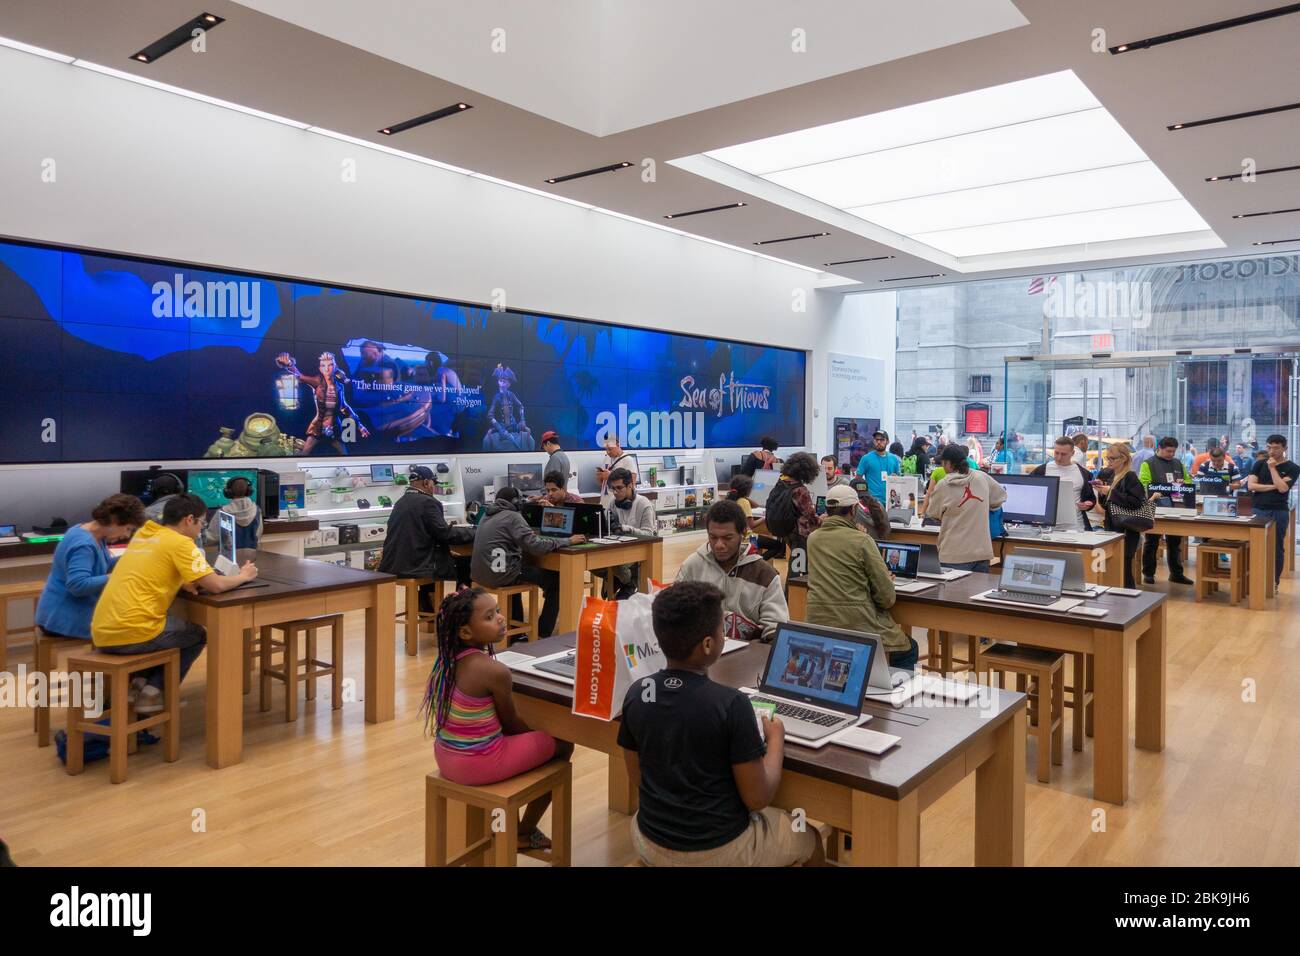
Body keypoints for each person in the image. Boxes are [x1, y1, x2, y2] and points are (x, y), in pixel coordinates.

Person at [617, 581, 823, 867]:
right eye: (721, 630)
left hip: (648, 839)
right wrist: (776, 739)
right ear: (708, 644)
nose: (724, 636)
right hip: (718, 851)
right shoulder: (731, 704)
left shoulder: (638, 693)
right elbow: (758, 799)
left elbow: (638, 776)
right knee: (808, 834)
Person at [421, 587, 573, 852]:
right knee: (563, 744)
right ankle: (522, 832)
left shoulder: (444, 664)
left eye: (498, 611)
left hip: (446, 757)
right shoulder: (494, 671)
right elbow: (511, 724)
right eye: (490, 616)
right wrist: (539, 734)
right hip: (480, 764)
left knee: (527, 742)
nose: (501, 618)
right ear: (466, 632)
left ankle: (513, 823)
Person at [92, 494, 258, 715]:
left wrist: (182, 581)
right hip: (131, 633)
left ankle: (138, 685)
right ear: (189, 519)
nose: (201, 529)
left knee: (172, 629)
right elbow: (216, 585)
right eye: (202, 523)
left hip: (102, 631)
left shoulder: (145, 533)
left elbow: (155, 567)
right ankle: (153, 693)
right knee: (195, 635)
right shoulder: (181, 543)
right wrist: (244, 576)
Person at [807, 485, 916, 669]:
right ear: (854, 509)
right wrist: (888, 580)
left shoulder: (813, 538)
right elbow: (887, 598)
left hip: (819, 624)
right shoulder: (863, 541)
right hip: (857, 625)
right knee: (909, 649)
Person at [471, 487, 582, 638]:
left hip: (480, 574)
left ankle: (516, 635)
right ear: (515, 502)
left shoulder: (486, 515)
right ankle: (543, 633)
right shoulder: (513, 517)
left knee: (519, 574)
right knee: (558, 580)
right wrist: (567, 540)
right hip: (502, 574)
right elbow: (536, 546)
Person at [675, 500, 788, 642]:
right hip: (701, 656)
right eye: (713, 537)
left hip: (749, 659)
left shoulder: (765, 575)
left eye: (727, 538)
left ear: (743, 533)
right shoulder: (692, 566)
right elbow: (675, 614)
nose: (719, 545)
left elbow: (776, 630)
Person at [36, 494, 144, 642]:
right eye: (128, 528)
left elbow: (100, 566)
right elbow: (78, 586)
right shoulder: (84, 544)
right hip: (64, 619)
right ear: (114, 521)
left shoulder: (88, 532)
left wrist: (131, 557)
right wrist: (118, 576)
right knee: (137, 632)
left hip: (58, 613)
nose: (127, 535)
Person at [379, 465, 474, 607]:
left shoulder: (400, 503)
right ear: (426, 483)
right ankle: (460, 612)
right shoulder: (428, 502)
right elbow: (444, 534)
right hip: (418, 566)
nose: (434, 488)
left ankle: (427, 612)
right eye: (433, 484)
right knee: (465, 563)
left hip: (394, 564)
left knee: (444, 561)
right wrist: (474, 532)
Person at [924, 444, 1006, 572]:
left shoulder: (944, 485)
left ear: (949, 464)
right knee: (978, 592)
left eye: (943, 463)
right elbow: (1000, 497)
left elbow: (933, 513)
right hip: (981, 553)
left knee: (952, 592)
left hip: (953, 555)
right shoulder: (982, 477)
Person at [1247, 434, 1299, 591]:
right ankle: (1253, 580)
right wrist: (1273, 486)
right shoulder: (1258, 464)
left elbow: (1283, 488)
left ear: (1285, 448)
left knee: (1276, 547)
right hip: (1257, 508)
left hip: (1278, 511)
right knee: (1253, 545)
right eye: (1269, 447)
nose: (1272, 451)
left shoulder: (1293, 468)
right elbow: (1251, 486)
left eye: (1276, 448)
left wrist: (1272, 468)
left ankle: (1273, 582)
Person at [1138, 437, 1193, 585]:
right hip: (1155, 507)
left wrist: (1183, 484)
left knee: (1175, 542)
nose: (1171, 454)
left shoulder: (1178, 463)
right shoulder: (1148, 463)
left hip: (1175, 507)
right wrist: (1159, 490)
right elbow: (1144, 484)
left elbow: (1188, 481)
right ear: (1159, 448)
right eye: (1168, 451)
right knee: (1151, 541)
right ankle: (1148, 573)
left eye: (1173, 451)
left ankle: (1176, 573)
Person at [1093, 444, 1145, 590]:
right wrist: (1103, 492)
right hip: (1114, 527)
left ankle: (1130, 599)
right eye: (1107, 458)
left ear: (1123, 459)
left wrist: (1110, 491)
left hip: (1127, 530)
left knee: (1124, 567)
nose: (1108, 461)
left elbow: (1135, 502)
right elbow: (1108, 505)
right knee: (1117, 567)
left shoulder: (1130, 476)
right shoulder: (1112, 475)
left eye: (1112, 458)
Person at [605, 467, 656, 597]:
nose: (615, 492)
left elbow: (649, 534)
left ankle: (628, 584)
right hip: (618, 546)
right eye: (612, 488)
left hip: (640, 549)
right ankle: (623, 581)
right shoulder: (613, 503)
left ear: (630, 486)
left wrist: (628, 529)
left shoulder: (644, 504)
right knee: (597, 565)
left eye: (619, 488)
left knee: (617, 564)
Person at [1030, 436, 1097, 531]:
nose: (1059, 457)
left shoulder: (1083, 473)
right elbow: (1030, 494)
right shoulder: (1041, 471)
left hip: (1076, 527)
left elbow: (1090, 498)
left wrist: (1088, 504)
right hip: (1046, 527)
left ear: (1072, 453)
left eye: (1063, 454)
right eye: (1056, 453)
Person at [772, 452, 822, 557]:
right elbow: (810, 516)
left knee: (795, 561)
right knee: (799, 566)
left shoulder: (781, 483)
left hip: (786, 529)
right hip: (800, 532)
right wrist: (823, 519)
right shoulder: (800, 490)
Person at [728, 474, 783, 562]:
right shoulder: (744, 502)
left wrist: (743, 496)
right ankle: (758, 562)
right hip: (749, 538)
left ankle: (756, 561)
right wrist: (764, 517)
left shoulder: (733, 500)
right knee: (778, 545)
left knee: (759, 546)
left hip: (740, 537)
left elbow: (755, 505)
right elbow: (752, 525)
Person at [202, 475, 262, 549]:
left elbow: (211, 538)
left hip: (229, 558)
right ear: (249, 491)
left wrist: (199, 529)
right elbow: (258, 534)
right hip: (252, 557)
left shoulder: (223, 512)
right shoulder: (257, 510)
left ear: (228, 492)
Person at [484, 364, 534, 452]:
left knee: (529, 438)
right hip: (501, 427)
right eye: (500, 381)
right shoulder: (496, 397)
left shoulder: (511, 395)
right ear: (498, 382)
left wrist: (522, 420)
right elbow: (490, 416)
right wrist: (500, 429)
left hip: (514, 426)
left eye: (504, 381)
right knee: (486, 440)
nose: (502, 383)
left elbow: (521, 406)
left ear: (509, 384)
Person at [855, 430, 901, 504]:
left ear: (888, 442)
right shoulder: (866, 458)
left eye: (882, 439)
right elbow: (857, 479)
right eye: (877, 440)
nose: (879, 442)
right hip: (872, 502)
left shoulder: (894, 459)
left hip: (890, 501)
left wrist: (896, 478)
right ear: (874, 441)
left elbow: (899, 480)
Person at [596, 436, 639, 507]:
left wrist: (610, 476)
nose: (608, 452)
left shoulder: (628, 460)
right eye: (606, 449)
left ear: (618, 445)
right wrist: (600, 477)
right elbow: (602, 485)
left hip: (618, 504)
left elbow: (631, 484)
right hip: (605, 501)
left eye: (610, 449)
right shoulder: (606, 458)